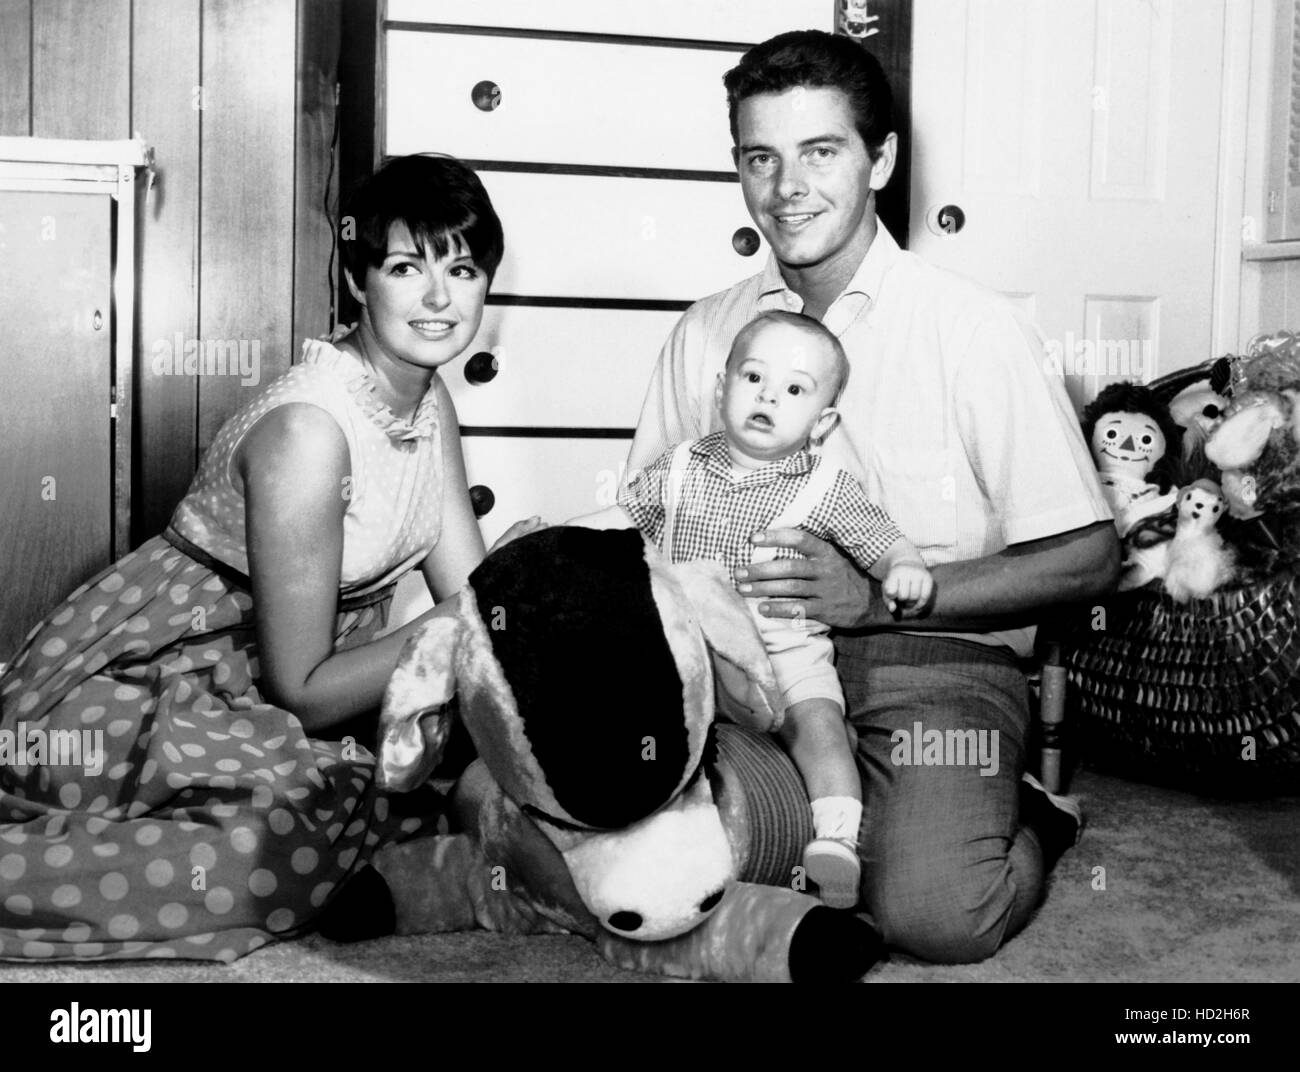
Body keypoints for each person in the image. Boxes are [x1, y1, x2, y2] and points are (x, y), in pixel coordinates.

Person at [626, 31, 1119, 962]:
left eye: (821, 152)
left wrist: (896, 591)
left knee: (934, 915)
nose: (786, 188)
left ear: (881, 159)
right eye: (759, 157)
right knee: (639, 846)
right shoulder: (703, 335)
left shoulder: (974, 328)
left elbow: (1091, 556)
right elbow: (644, 531)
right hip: (749, 673)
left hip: (933, 665)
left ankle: (1031, 815)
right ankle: (814, 815)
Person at [0, 154, 538, 962]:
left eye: (461, 269)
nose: (438, 298)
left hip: (257, 692)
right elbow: (308, 689)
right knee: (282, 841)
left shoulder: (426, 401)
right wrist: (481, 612)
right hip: (147, 676)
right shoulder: (310, 432)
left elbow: (471, 596)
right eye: (405, 267)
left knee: (386, 808)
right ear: (358, 282)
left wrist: (514, 604)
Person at [594, 309, 932, 908]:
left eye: (795, 389)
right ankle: (625, 819)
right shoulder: (677, 468)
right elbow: (621, 525)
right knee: (637, 714)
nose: (769, 396)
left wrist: (903, 567)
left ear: (822, 421)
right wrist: (562, 539)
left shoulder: (824, 485)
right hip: (688, 648)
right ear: (721, 388)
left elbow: (881, 541)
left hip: (786, 650)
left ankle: (836, 842)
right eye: (753, 378)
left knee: (820, 727)